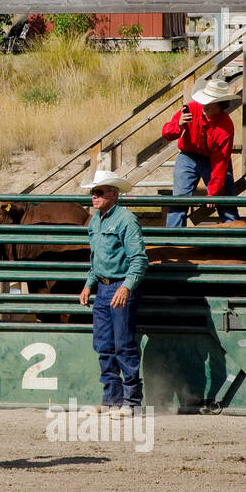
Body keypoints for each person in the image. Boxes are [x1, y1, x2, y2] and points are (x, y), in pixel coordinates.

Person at [78, 170, 148, 417]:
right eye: (93, 193)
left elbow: (139, 259)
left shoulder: (126, 220)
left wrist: (126, 286)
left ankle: (131, 401)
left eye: (98, 192)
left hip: (119, 287)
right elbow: (96, 259)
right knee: (104, 345)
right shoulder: (96, 221)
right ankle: (111, 400)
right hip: (104, 288)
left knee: (123, 344)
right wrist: (89, 284)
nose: (94, 197)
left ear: (113, 194)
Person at [161, 77, 240, 227]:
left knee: (224, 200)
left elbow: (220, 162)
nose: (204, 105)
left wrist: (214, 192)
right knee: (179, 200)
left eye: (209, 103)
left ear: (220, 105)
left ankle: (235, 237)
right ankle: (172, 239)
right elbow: (166, 133)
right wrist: (178, 125)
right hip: (187, 156)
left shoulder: (225, 125)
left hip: (211, 160)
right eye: (204, 101)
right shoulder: (190, 109)